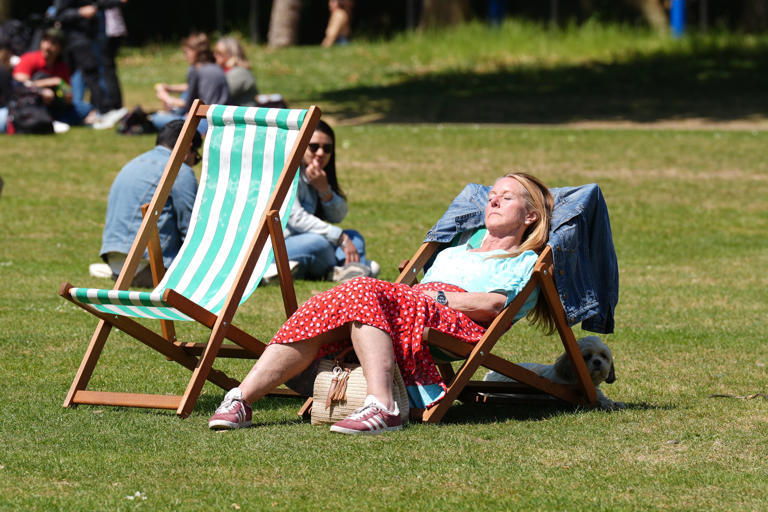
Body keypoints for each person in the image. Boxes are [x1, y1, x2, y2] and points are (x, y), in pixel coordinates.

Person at [208, 172, 554, 435]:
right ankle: (242, 399)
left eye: (506, 198)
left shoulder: (524, 261)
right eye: (491, 195)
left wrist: (434, 295)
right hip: (418, 310)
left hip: (457, 323)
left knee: (359, 289)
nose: (492, 201)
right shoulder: (455, 250)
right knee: (327, 305)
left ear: (530, 217)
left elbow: (494, 305)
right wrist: (416, 293)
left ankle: (383, 406)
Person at [89, 119, 202, 287]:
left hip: (116, 260)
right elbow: (192, 229)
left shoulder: (133, 163)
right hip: (147, 265)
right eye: (196, 157)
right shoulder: (180, 170)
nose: (194, 163)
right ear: (188, 147)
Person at [275, 119, 378, 283]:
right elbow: (296, 218)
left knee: (355, 238)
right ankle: (347, 270)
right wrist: (340, 237)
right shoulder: (285, 173)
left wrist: (324, 190)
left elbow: (339, 215)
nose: (321, 153)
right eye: (314, 146)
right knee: (319, 243)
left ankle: (340, 271)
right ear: (300, 146)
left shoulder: (318, 176)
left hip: (305, 240)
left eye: (327, 148)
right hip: (276, 248)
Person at [152, 33, 229, 134]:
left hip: (204, 122)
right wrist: (169, 88)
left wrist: (166, 98)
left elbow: (189, 104)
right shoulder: (215, 67)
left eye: (186, 52)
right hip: (221, 118)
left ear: (196, 52)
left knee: (155, 119)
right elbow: (191, 88)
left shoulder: (195, 70)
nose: (186, 56)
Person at [11, 27, 84, 129]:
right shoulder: (29, 58)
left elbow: (68, 93)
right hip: (29, 105)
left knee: (84, 108)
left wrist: (65, 94)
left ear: (60, 48)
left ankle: (54, 121)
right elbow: (18, 83)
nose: (47, 47)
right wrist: (42, 89)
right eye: (45, 41)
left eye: (53, 43)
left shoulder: (62, 66)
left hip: (55, 106)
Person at [214, 36, 258, 107]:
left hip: (242, 116)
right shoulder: (224, 70)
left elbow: (220, 94)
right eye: (215, 52)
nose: (215, 55)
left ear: (231, 53)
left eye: (219, 53)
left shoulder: (239, 72)